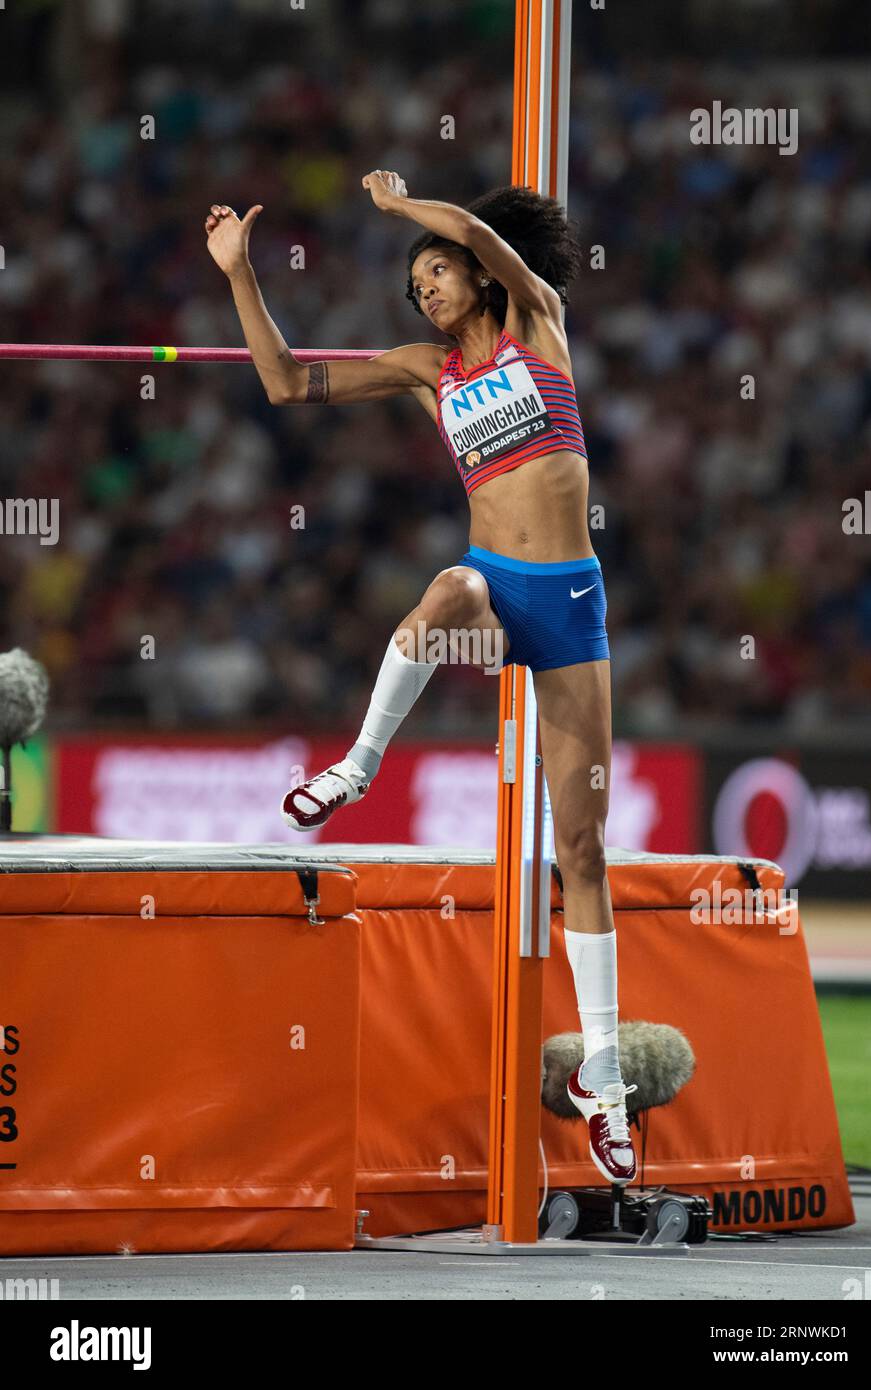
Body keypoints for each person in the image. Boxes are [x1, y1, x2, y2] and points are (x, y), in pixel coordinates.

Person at [204, 172, 638, 1183]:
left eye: (437, 275)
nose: (426, 291)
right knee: (444, 589)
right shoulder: (422, 370)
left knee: (582, 848)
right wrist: (240, 277)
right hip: (493, 586)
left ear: (480, 275)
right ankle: (356, 768)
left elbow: (486, 234)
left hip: (569, 601)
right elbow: (285, 383)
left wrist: (405, 209)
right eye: (415, 285)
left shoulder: (539, 320)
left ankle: (605, 1082)